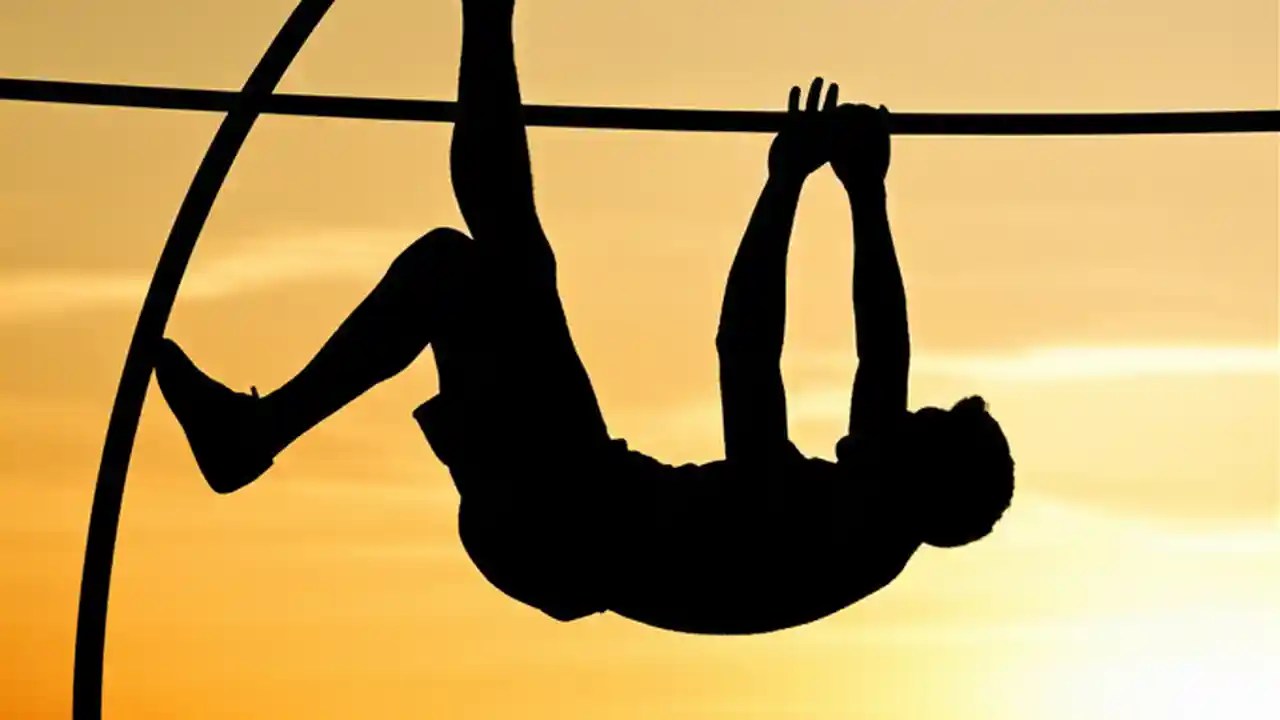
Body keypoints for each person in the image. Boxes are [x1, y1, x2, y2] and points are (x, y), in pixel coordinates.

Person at [154, 0, 1014, 636]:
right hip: (578, 505)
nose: (906, 412)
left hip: (558, 523)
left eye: (923, 426)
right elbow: (883, 355)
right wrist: (867, 193)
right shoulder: (877, 513)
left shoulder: (836, 532)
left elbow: (746, 355)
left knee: (483, 263)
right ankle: (251, 436)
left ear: (926, 480)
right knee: (465, 266)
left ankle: (486, 7)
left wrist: (787, 183)